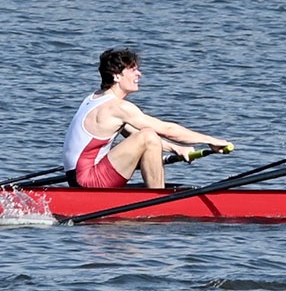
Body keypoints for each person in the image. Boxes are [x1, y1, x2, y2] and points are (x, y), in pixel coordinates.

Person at [64, 47, 230, 188]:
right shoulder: (118, 107)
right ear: (117, 76)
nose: (139, 74)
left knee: (145, 136)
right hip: (88, 180)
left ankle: (154, 193)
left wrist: (176, 148)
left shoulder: (94, 98)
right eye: (133, 69)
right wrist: (211, 140)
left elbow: (132, 133)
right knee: (148, 135)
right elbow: (168, 130)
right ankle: (157, 199)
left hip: (76, 176)